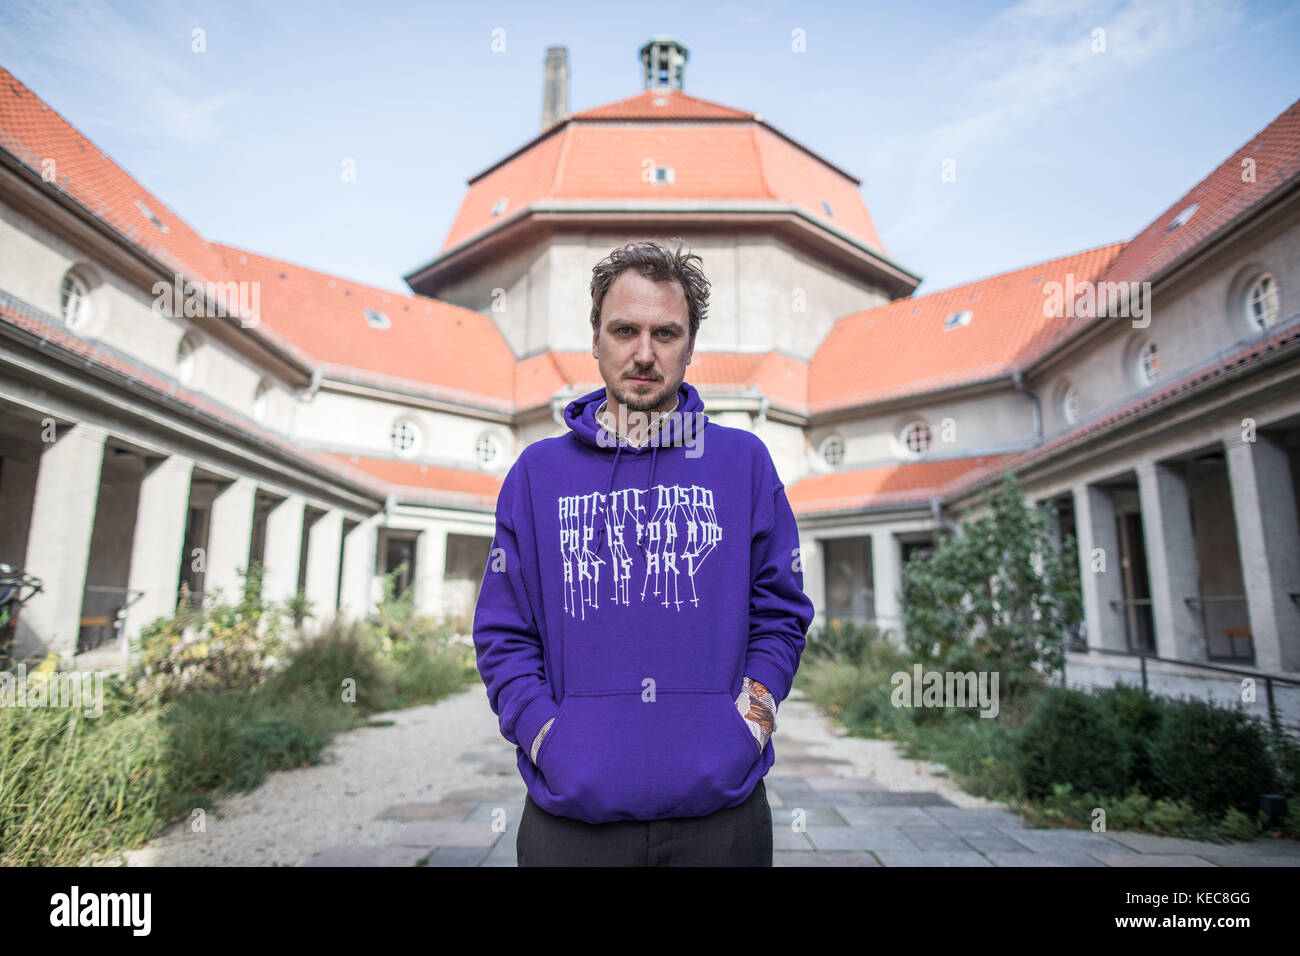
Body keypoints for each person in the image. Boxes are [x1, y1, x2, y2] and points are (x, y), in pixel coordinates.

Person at [472, 237, 815, 866]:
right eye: (625, 329)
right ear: (596, 340)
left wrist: (750, 721)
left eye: (666, 333)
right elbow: (503, 631)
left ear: (690, 347)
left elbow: (781, 612)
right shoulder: (536, 473)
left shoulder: (743, 463)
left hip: (722, 815)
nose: (644, 353)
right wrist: (546, 735)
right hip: (572, 819)